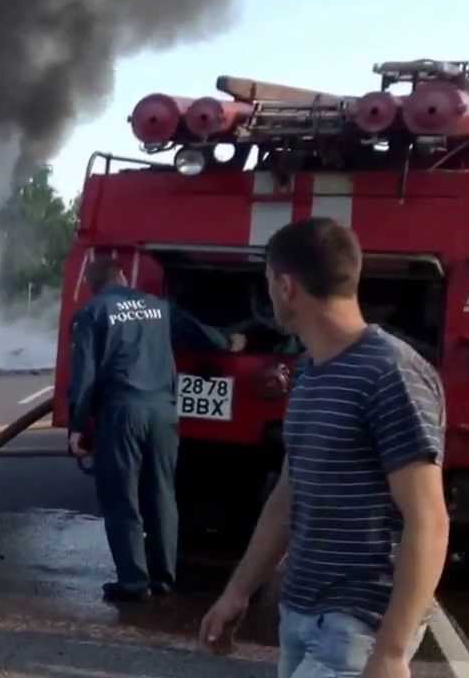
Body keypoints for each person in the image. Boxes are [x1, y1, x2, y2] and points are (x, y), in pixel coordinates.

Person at [198, 217, 448, 678]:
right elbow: (288, 497)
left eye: (269, 282)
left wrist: (390, 653)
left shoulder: (390, 374)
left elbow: (428, 520)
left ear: (286, 286)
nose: (269, 294)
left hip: (356, 628)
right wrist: (238, 590)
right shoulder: (312, 371)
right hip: (302, 614)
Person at [67, 257, 246, 602]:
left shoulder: (93, 313)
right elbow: (203, 335)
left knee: (122, 497)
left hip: (123, 412)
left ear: (94, 285)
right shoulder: (157, 307)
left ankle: (134, 582)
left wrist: (77, 426)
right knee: (162, 493)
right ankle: (163, 577)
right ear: (121, 276)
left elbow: (85, 375)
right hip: (164, 412)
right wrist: (230, 342)